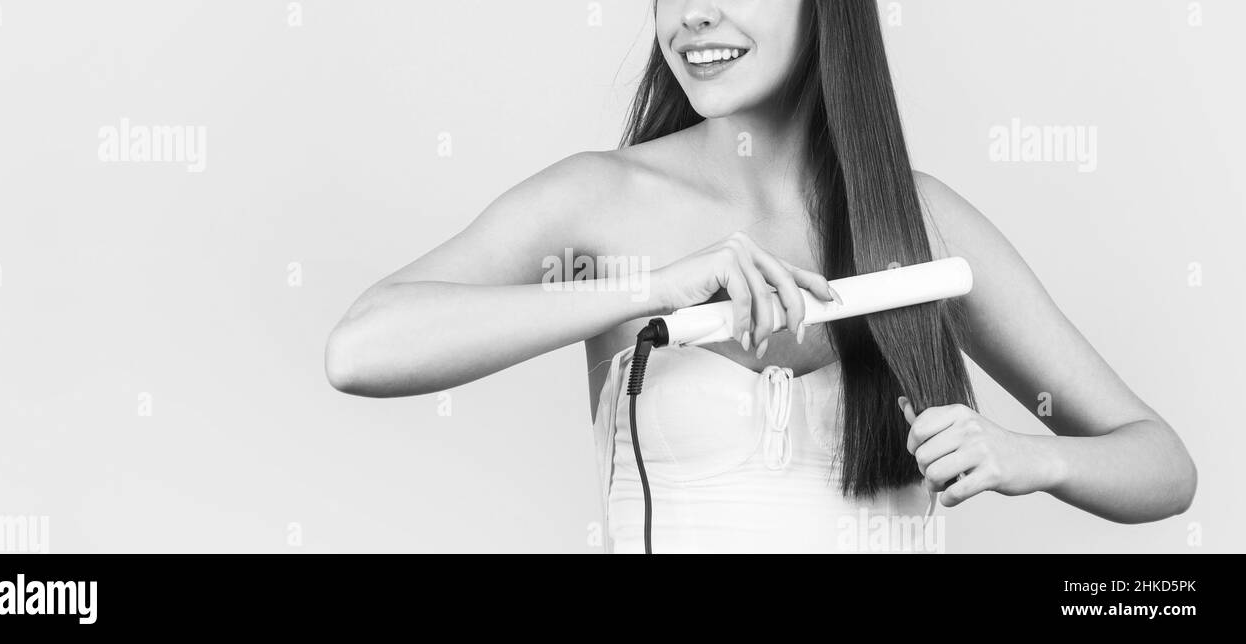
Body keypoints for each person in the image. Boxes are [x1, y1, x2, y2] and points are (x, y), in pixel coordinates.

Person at [325, 0, 1196, 553]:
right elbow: (362, 350)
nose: (693, 17)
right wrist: (655, 288)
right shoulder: (598, 201)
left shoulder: (916, 221)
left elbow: (1161, 467)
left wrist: (1027, 457)